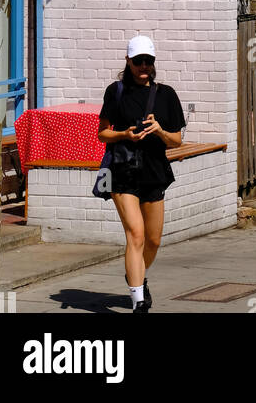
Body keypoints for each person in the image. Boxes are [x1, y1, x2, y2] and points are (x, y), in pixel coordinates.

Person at [97, 35, 185, 313]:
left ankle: (136, 276)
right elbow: (102, 133)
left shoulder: (166, 94)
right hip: (122, 172)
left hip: (154, 172)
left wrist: (159, 131)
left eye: (148, 60)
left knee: (153, 240)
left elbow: (177, 141)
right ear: (128, 61)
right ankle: (138, 302)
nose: (143, 66)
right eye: (138, 61)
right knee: (135, 234)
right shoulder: (116, 91)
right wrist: (124, 134)